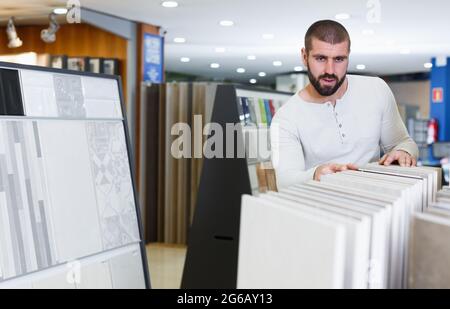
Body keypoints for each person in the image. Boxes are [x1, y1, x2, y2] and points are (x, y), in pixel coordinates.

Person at [270, 19, 419, 189]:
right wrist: (316, 173)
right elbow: (285, 180)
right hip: (324, 206)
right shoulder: (286, 118)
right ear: (304, 56)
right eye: (320, 58)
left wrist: (404, 152)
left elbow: (404, 142)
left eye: (339, 59)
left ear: (348, 56)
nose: (330, 70)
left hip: (378, 202)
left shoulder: (377, 89)